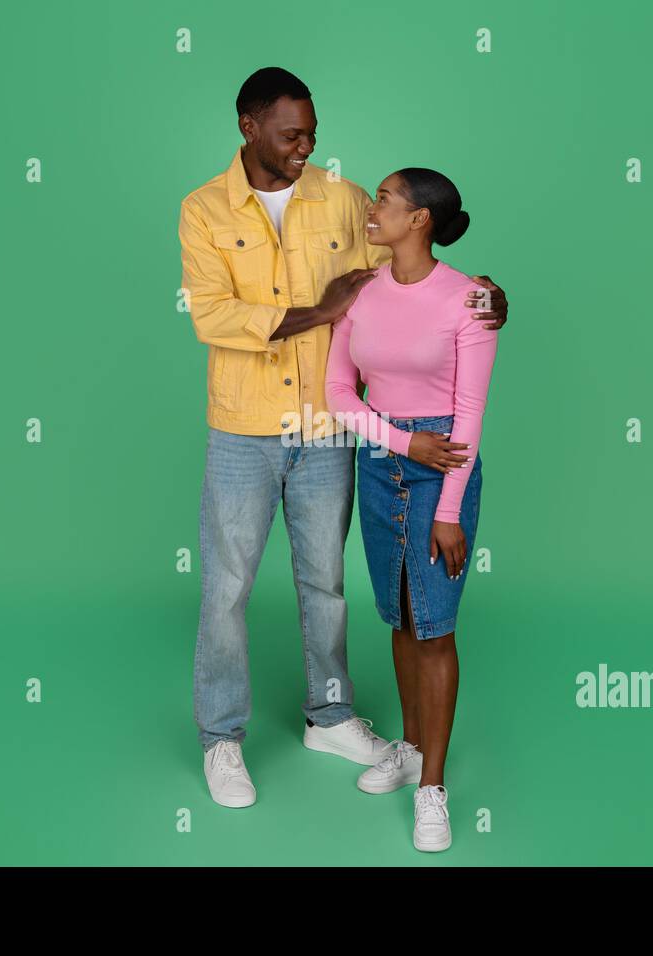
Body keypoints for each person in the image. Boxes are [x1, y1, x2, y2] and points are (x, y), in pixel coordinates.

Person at [178, 67, 508, 809]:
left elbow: (404, 265)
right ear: (249, 127)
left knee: (325, 583)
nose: (306, 147)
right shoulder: (202, 209)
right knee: (227, 588)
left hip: (332, 430)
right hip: (244, 426)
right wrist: (317, 308)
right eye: (292, 134)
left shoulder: (342, 196)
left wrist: (480, 293)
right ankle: (221, 736)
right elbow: (212, 316)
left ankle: (328, 714)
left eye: (313, 134)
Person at [324, 168, 498, 851]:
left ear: (420, 218)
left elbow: (471, 411)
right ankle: (410, 748)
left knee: (435, 629)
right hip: (380, 463)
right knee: (400, 615)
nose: (373, 209)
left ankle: (433, 789)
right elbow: (340, 393)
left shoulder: (473, 299)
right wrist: (400, 443)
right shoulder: (360, 292)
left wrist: (448, 508)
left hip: (442, 474)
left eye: (386, 200)